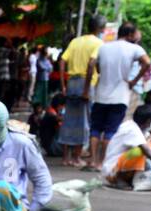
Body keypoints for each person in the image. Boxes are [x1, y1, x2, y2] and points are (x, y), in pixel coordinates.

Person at [87, 22, 150, 172]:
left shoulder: (104, 47)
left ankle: (92, 161)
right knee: (110, 131)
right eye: (135, 34)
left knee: (95, 129)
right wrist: (134, 81)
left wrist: (100, 72)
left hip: (100, 95)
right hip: (120, 97)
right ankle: (101, 163)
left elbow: (92, 65)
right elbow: (147, 62)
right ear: (129, 34)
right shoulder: (135, 48)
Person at [58, 15, 106, 168]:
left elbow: (62, 61)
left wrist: (63, 85)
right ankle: (77, 157)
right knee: (84, 121)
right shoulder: (99, 43)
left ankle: (66, 158)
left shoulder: (75, 41)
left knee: (68, 120)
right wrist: (86, 90)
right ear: (101, 28)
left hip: (72, 82)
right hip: (86, 83)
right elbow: (92, 64)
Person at [101, 105, 151, 189]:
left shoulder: (138, 128)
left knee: (150, 144)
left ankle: (125, 178)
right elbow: (147, 150)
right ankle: (119, 179)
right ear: (148, 120)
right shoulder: (132, 130)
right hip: (111, 171)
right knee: (139, 151)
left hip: (115, 167)